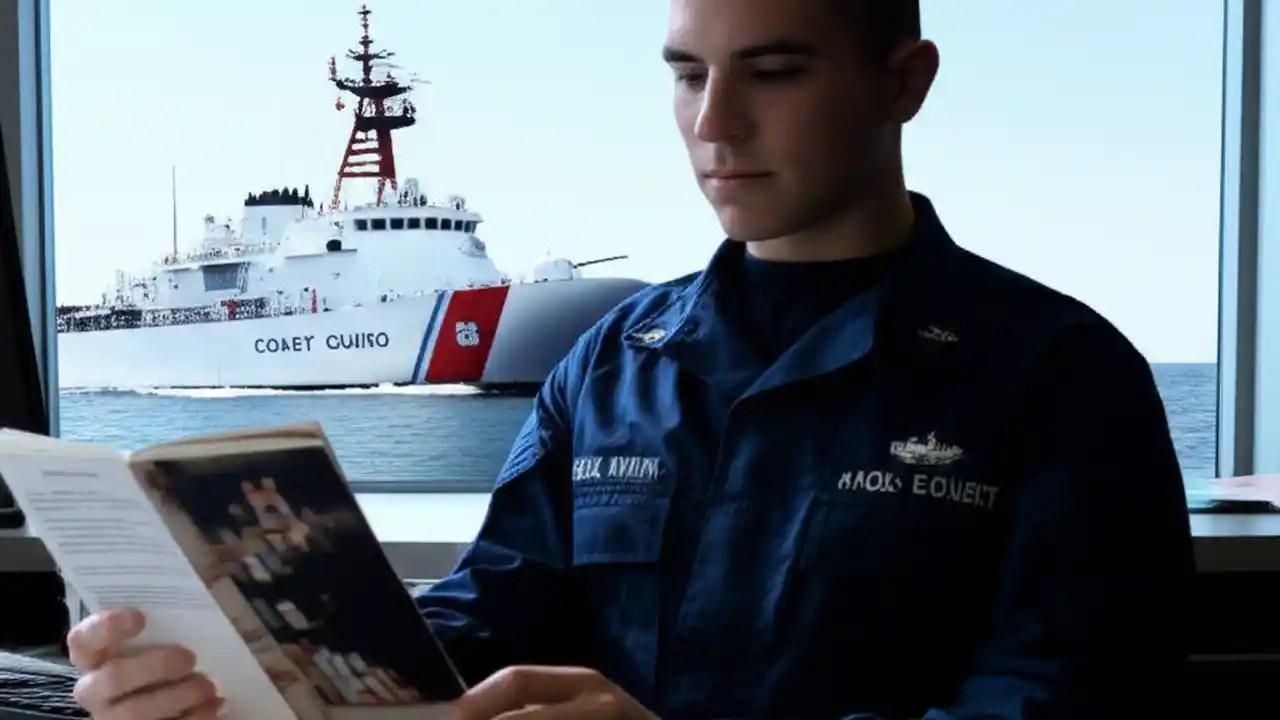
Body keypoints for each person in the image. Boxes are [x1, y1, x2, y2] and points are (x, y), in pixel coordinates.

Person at [66, 0, 1194, 717]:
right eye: (688, 74)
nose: (715, 124)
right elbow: (490, 616)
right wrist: (248, 674)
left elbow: (1070, 700)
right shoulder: (610, 360)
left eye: (774, 71)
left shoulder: (1058, 374)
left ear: (904, 82)